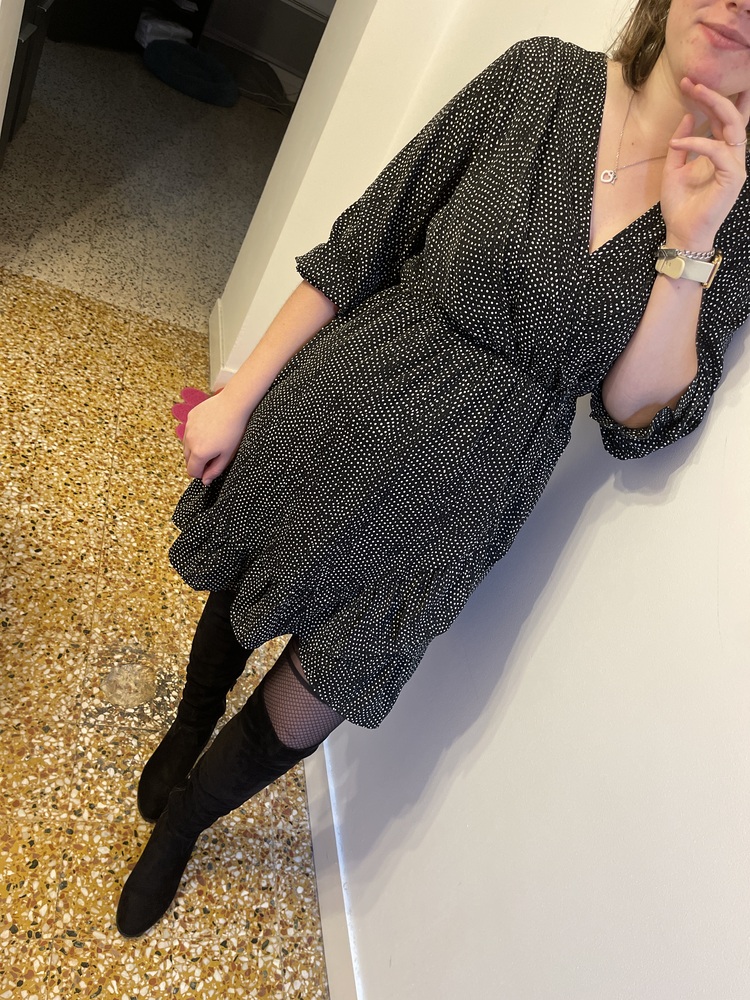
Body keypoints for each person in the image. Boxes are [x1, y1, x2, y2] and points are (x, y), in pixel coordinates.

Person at [116, 0, 750, 938]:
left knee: (331, 680)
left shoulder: (736, 211)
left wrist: (689, 247)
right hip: (351, 398)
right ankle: (189, 722)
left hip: (467, 496)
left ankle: (186, 822)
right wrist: (240, 392)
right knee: (253, 581)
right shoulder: (540, 78)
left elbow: (633, 413)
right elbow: (369, 236)